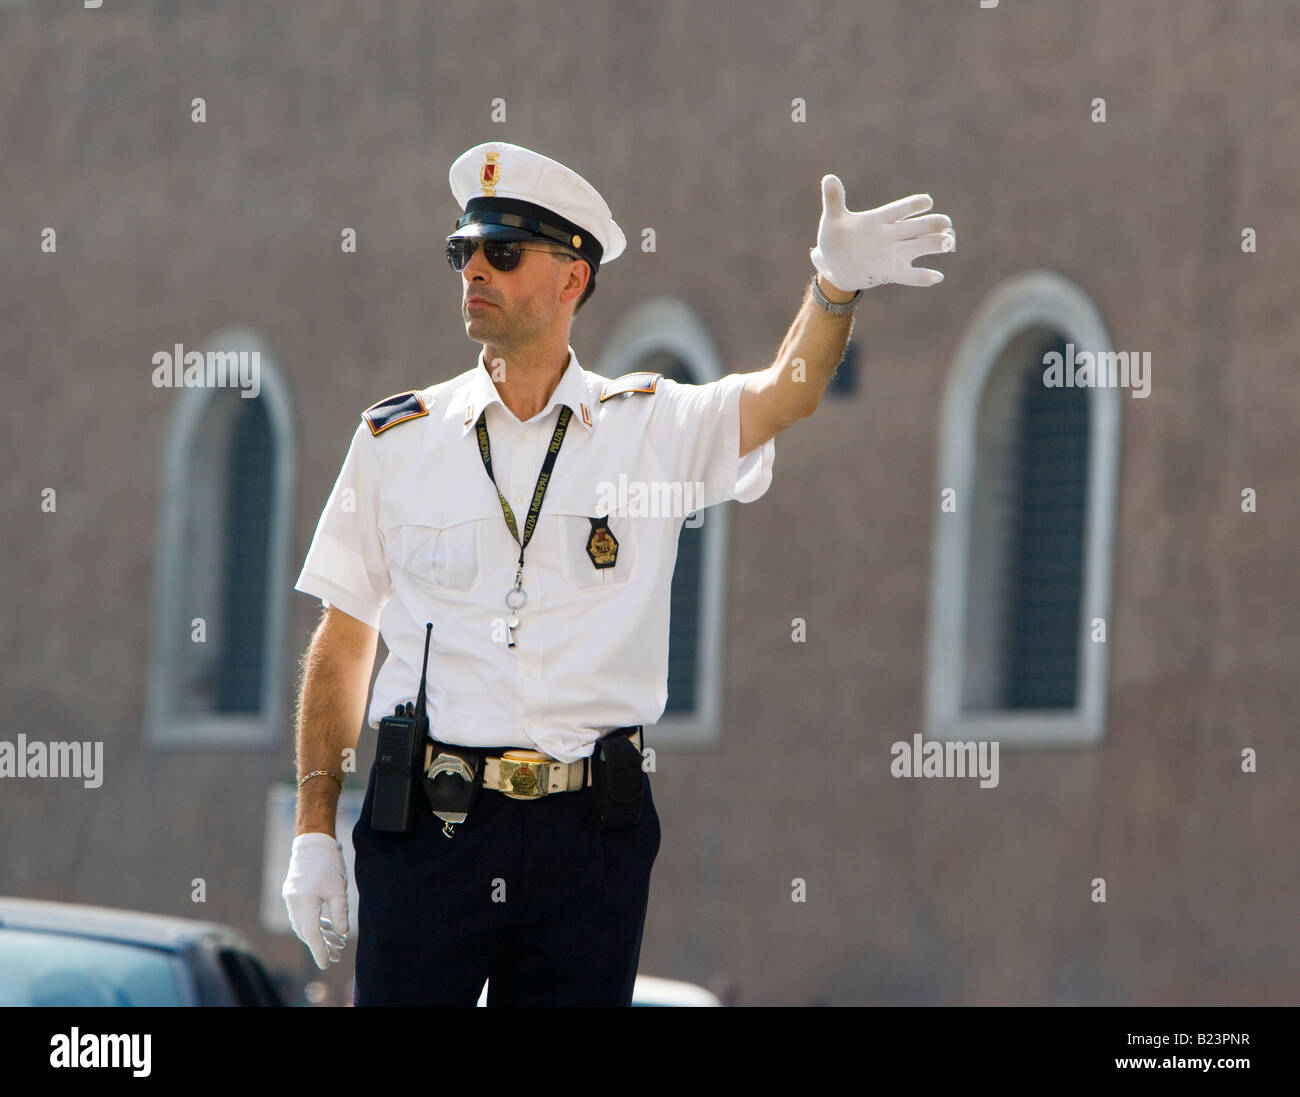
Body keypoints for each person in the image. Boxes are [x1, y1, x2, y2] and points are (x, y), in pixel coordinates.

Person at [281, 141, 954, 1006]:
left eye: (502, 252)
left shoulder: (650, 427)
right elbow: (344, 644)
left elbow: (787, 392)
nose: (473, 270)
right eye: (462, 252)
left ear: (572, 278)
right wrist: (313, 832)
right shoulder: (395, 441)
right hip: (430, 827)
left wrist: (833, 287)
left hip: (587, 834)